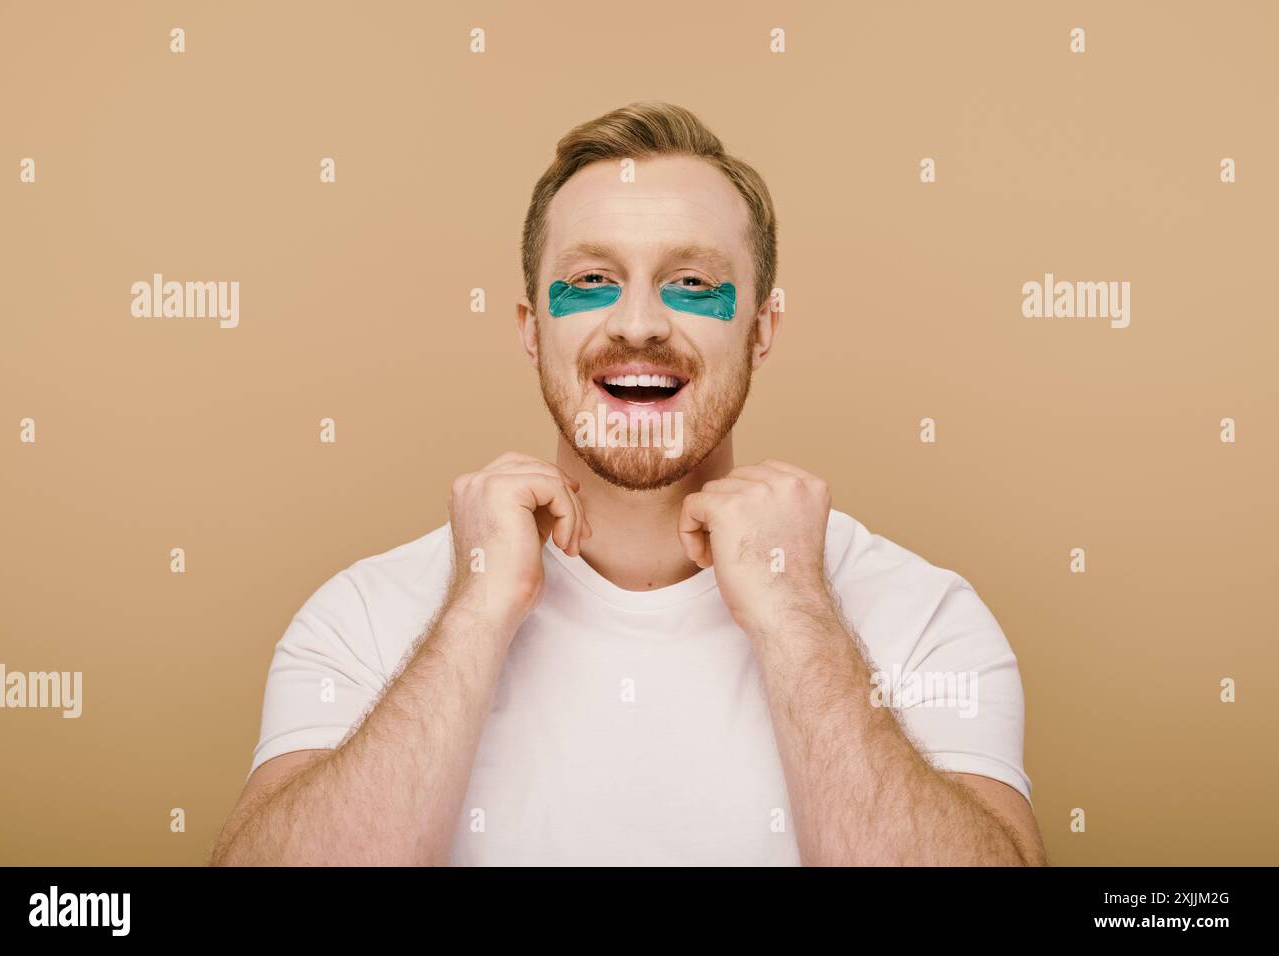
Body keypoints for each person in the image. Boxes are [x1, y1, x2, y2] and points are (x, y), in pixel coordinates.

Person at [210, 101, 1046, 866]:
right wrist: (476, 609)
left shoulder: (921, 617)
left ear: (761, 332)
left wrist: (796, 613)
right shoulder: (362, 617)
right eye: (591, 280)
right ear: (532, 333)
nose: (639, 323)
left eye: (692, 283)